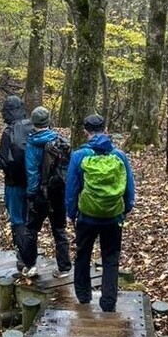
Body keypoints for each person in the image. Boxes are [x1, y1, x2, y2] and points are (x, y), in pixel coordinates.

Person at [65, 113, 135, 313]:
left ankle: (84, 296)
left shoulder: (79, 156)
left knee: (83, 254)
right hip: (113, 217)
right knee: (111, 258)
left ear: (85, 132)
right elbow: (129, 187)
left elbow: (71, 189)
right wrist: (125, 209)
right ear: (106, 130)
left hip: (86, 217)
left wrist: (71, 213)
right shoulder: (119, 155)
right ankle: (108, 302)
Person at [23, 107, 72, 278]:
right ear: (49, 121)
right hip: (58, 193)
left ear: (33, 122)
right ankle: (64, 267)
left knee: (31, 229)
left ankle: (30, 265)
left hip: (40, 194)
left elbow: (32, 172)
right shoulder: (60, 140)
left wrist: (31, 195)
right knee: (59, 229)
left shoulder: (32, 143)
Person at [0, 96, 33, 270]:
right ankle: (30, 253)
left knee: (17, 220)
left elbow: (4, 162)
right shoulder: (33, 127)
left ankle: (24, 258)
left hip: (14, 184)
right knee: (29, 219)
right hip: (34, 183)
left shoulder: (8, 133)